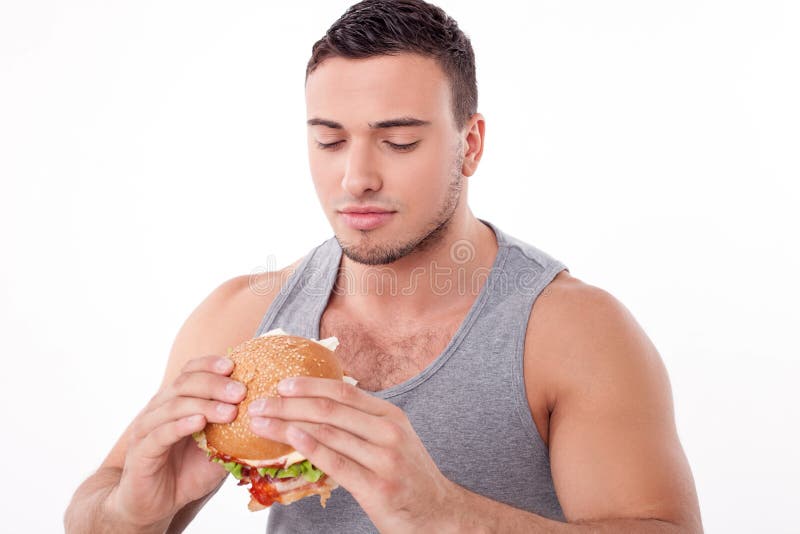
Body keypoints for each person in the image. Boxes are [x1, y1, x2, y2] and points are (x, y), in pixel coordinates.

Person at [64, 0, 703, 532]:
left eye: (398, 141)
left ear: (470, 143)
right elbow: (94, 508)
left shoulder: (574, 331)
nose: (356, 177)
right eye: (329, 140)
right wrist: (131, 512)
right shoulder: (242, 318)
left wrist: (449, 515)